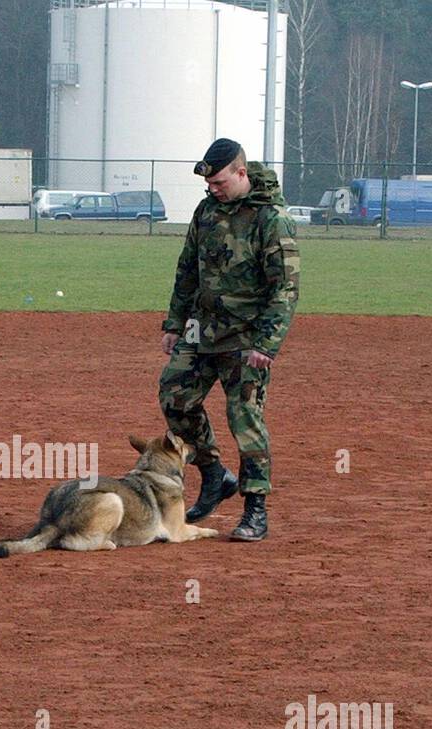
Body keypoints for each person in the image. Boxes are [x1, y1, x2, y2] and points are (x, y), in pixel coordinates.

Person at [158, 137, 300, 541]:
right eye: (209, 185)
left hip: (246, 339)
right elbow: (187, 269)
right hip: (201, 331)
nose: (213, 190)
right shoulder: (206, 210)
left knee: (245, 418)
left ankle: (255, 509)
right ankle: (214, 474)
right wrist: (173, 323)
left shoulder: (271, 219)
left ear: (241, 173)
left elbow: (285, 290)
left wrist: (266, 344)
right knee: (174, 396)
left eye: (219, 183)